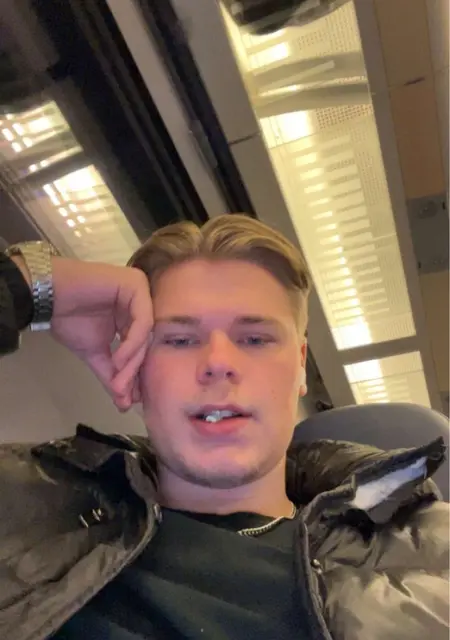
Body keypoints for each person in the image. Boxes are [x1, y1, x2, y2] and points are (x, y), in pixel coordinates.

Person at [0, 214, 448, 640]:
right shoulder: (25, 501)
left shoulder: (432, 563)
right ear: (134, 367)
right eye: (180, 339)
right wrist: (25, 285)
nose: (217, 362)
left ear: (300, 366)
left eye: (254, 338)